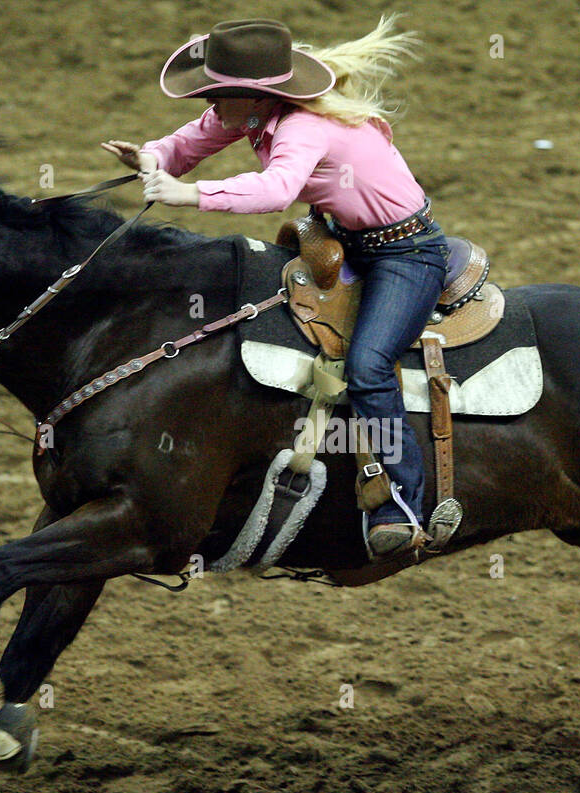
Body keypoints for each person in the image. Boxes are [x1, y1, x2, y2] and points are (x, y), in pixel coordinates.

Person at [101, 15, 450, 562]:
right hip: (345, 238)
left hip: (407, 254)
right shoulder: (254, 115)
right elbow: (193, 139)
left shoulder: (303, 128)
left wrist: (188, 195)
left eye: (217, 94)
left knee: (370, 364)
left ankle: (401, 505)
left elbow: (275, 189)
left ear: (254, 96)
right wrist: (154, 158)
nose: (210, 105)